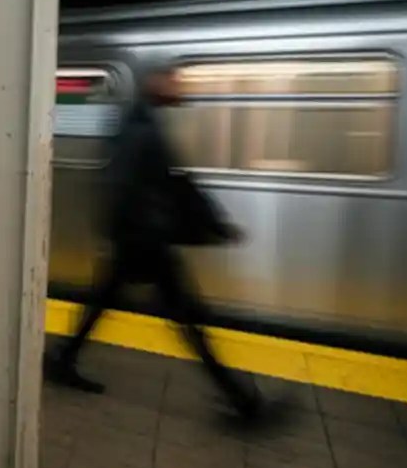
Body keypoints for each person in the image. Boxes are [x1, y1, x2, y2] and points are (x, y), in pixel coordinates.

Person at [46, 62, 265, 421]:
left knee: (103, 303)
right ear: (155, 82)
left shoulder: (142, 122)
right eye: (174, 80)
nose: (180, 87)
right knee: (188, 320)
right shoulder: (141, 128)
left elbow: (170, 181)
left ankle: (63, 358)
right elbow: (155, 184)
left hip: (136, 239)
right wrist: (210, 224)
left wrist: (212, 223)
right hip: (144, 240)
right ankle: (242, 401)